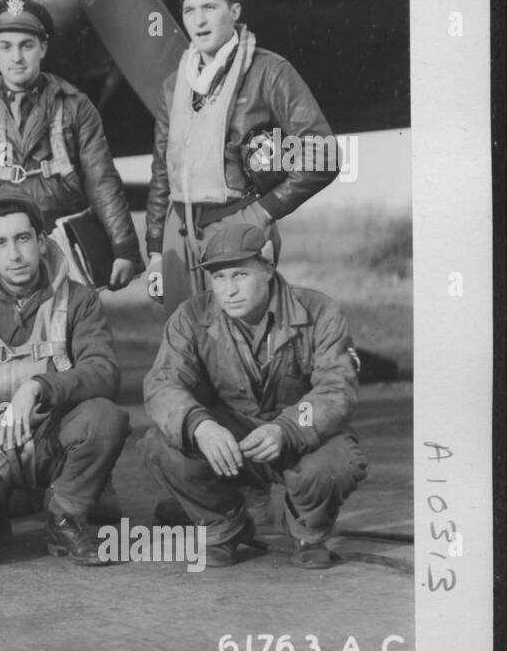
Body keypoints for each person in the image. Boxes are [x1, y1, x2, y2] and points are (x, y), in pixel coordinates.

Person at [0, 190, 131, 567]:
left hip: (50, 440)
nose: (14, 255)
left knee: (104, 418)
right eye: (0, 242)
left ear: (40, 240)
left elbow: (103, 371)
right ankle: (3, 505)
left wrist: (38, 387)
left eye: (22, 239)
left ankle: (64, 516)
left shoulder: (78, 300)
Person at [139, 223, 369, 569]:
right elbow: (162, 383)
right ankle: (223, 525)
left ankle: (309, 530)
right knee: (159, 446)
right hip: (229, 438)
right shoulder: (190, 316)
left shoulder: (320, 311)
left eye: (239, 275)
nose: (228, 290)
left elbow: (336, 389)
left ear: (268, 268)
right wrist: (201, 426)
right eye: (218, 278)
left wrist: (287, 428)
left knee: (337, 461)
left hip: (297, 437)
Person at [145, 0, 338, 315]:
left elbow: (322, 153)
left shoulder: (268, 71)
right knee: (185, 343)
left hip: (237, 222)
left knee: (242, 340)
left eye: (210, 8)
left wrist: (264, 211)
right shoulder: (175, 84)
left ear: (234, 12)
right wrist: (157, 251)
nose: (199, 21)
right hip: (179, 231)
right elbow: (162, 171)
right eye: (190, 10)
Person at [0, 0, 142, 293]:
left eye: (27, 45)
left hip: (64, 249)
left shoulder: (76, 106)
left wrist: (124, 246)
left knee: (74, 331)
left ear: (43, 47)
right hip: (4, 254)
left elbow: (101, 179)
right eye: (6, 46)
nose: (16, 57)